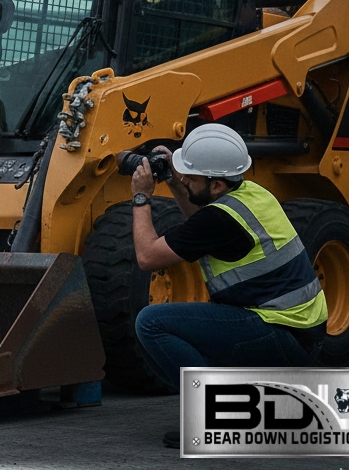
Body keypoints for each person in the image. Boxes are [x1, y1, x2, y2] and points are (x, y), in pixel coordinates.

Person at [126, 123, 327, 448]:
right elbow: (200, 219)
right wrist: (176, 182)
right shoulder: (251, 194)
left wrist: (140, 198)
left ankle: (215, 416)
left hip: (283, 337)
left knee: (151, 323)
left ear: (217, 184)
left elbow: (147, 257)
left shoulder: (220, 219)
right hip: (301, 334)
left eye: (191, 176)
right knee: (195, 334)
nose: (185, 178)